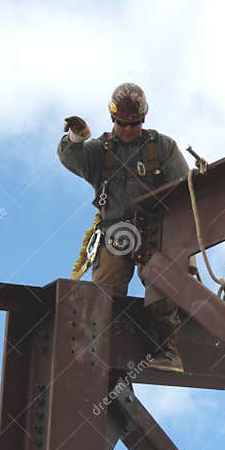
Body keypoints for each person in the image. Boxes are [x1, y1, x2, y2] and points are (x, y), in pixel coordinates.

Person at [57, 82, 190, 373]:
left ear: (143, 119)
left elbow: (186, 193)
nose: (128, 129)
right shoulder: (100, 151)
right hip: (116, 233)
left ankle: (167, 351)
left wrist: (183, 250)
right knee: (104, 294)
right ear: (113, 119)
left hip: (155, 234)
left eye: (134, 123)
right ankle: (102, 360)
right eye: (122, 123)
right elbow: (71, 157)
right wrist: (76, 138)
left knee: (163, 285)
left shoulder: (161, 148)